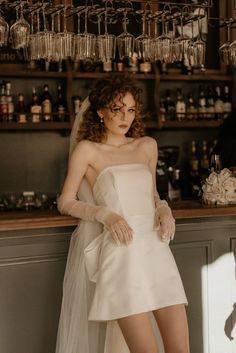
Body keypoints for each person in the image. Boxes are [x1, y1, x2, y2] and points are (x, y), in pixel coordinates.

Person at [56, 74, 189, 353]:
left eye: (130, 109)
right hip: (122, 252)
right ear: (101, 111)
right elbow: (65, 202)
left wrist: (164, 209)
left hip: (156, 250)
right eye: (117, 109)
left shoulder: (146, 146)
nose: (124, 116)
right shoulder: (87, 150)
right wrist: (107, 215)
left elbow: (152, 195)